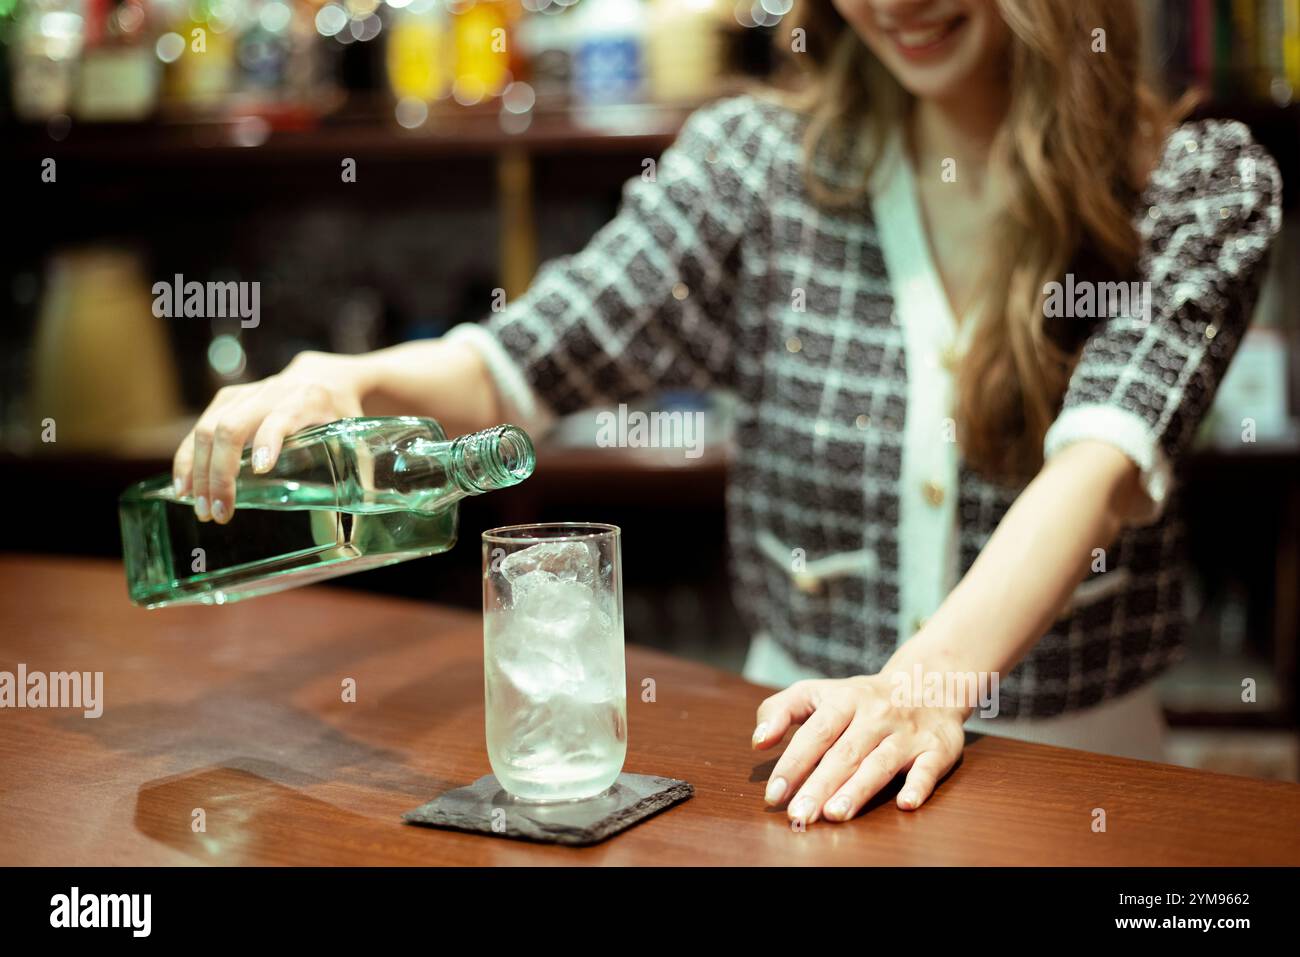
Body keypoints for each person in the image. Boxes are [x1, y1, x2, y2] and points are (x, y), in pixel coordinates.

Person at [171, 0, 1281, 825]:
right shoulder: (756, 168)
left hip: (1073, 786)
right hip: (805, 782)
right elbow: (527, 359)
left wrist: (916, 688)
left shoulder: (1199, 187)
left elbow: (1098, 467)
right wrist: (351, 378)